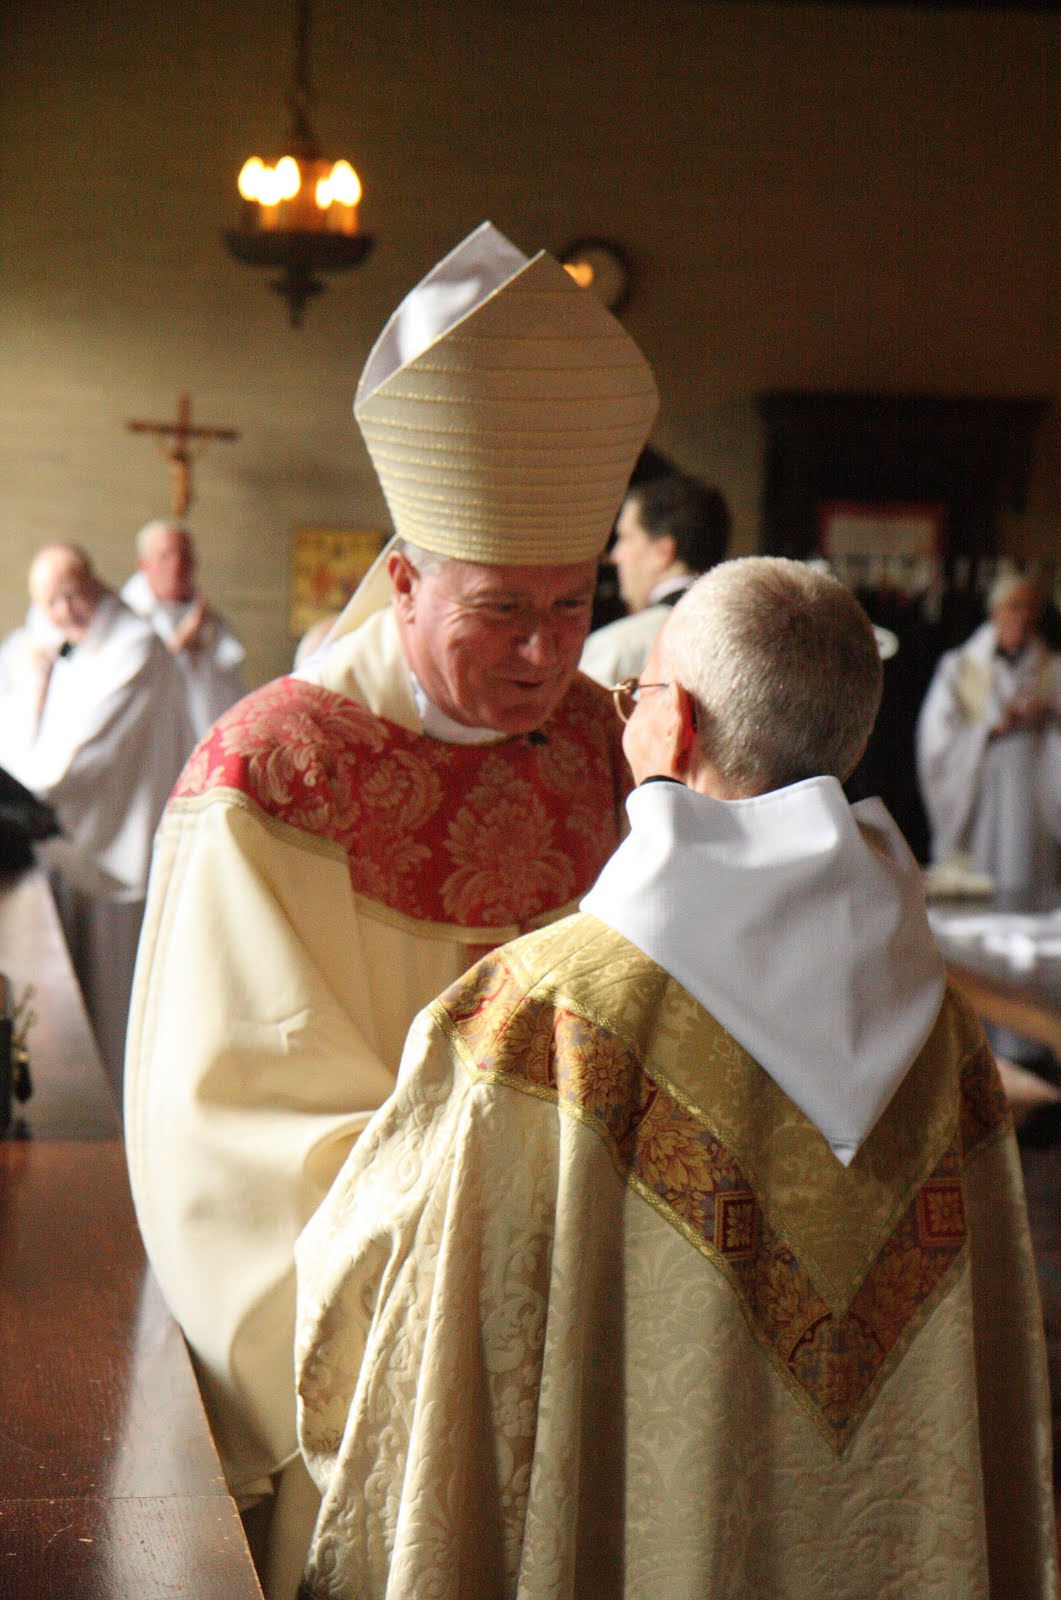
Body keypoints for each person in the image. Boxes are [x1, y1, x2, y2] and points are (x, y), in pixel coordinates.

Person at [295, 557, 1057, 1600]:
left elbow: (376, 1308)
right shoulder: (946, 1032)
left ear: (672, 728)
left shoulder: (539, 1015)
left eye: (635, 693)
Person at [123, 221, 658, 1600]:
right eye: (499, 611)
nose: (547, 654)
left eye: (568, 601)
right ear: (404, 580)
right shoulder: (273, 772)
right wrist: (485, 1248)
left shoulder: (609, 744)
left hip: (605, 1313)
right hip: (403, 1330)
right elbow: (228, 1130)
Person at [0, 543, 191, 1089]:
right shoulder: (71, 642)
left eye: (70, 595)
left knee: (112, 1007)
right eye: (49, 603)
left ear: (95, 582)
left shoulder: (135, 649)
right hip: (69, 845)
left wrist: (22, 799)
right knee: (67, 1001)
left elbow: (77, 764)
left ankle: (112, 1124)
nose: (61, 612)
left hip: (115, 854)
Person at [917, 568, 1061, 892]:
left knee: (1028, 871)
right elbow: (937, 737)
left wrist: (1049, 720)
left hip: (1034, 793)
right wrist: (992, 729)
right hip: (981, 790)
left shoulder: (1054, 669)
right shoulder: (960, 667)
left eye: (1031, 608)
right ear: (995, 610)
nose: (1023, 616)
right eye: (1015, 606)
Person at [579, 469, 730, 686]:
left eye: (625, 538)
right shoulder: (744, 640)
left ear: (662, 552)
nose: (615, 556)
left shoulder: (618, 648)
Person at [121, 517, 245, 739]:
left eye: (184, 556)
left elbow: (230, 693)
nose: (176, 566)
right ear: (143, 564)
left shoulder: (211, 622)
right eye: (165, 556)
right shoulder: (127, 617)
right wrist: (179, 643)